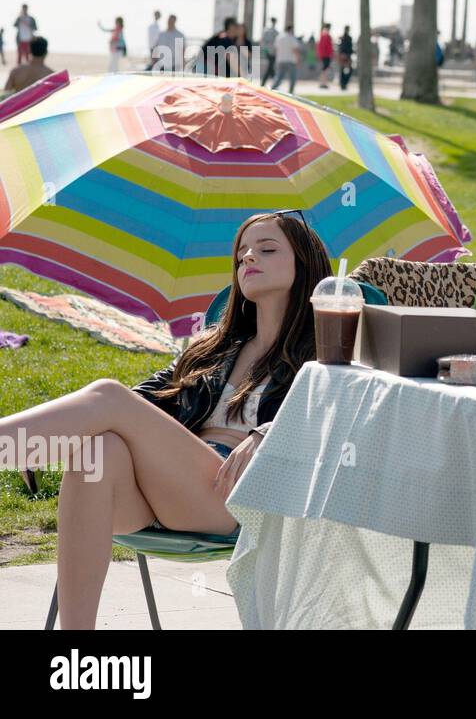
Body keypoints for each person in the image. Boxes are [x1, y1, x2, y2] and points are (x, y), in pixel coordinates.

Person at [0, 211, 331, 629]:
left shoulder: (323, 350)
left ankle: (11, 445)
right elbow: (140, 405)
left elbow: (338, 416)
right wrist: (61, 435)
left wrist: (268, 433)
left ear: (304, 265)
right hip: (169, 492)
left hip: (237, 498)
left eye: (266, 249)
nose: (248, 257)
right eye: (242, 252)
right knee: (98, 450)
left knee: (107, 395)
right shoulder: (213, 350)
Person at [271, 24, 301, 93]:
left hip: (280, 60)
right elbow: (295, 50)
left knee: (278, 77)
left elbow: (276, 48)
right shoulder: (291, 38)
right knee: (292, 78)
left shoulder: (279, 38)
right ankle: (291, 92)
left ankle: (272, 90)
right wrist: (298, 60)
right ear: (291, 29)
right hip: (290, 61)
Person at [260, 17, 279, 86]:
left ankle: (273, 81)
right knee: (270, 68)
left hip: (270, 51)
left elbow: (262, 41)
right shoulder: (275, 32)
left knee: (270, 67)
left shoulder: (266, 31)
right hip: (271, 52)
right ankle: (275, 81)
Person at [338, 25, 354, 90]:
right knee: (347, 70)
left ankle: (343, 83)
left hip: (345, 55)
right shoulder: (347, 38)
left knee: (344, 70)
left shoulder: (343, 38)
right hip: (346, 55)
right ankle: (343, 83)